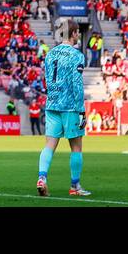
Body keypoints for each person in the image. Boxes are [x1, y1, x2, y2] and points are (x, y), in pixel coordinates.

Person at [36, 17, 90, 197]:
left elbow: (47, 79)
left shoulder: (50, 54)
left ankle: (42, 178)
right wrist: (82, 110)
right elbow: (77, 84)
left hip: (52, 104)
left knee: (49, 145)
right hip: (71, 107)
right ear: (74, 33)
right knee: (76, 147)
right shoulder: (77, 55)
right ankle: (75, 186)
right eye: (78, 33)